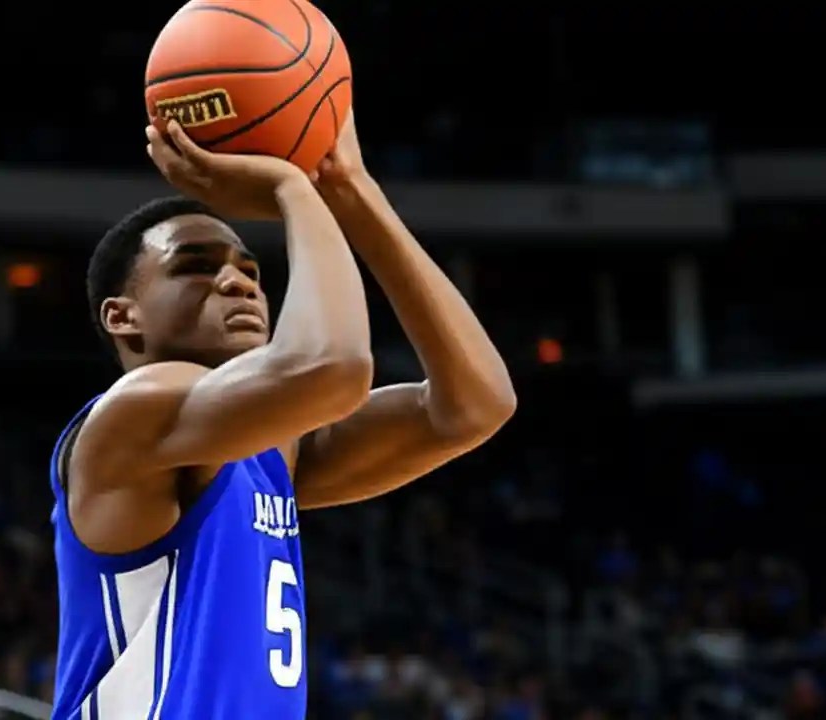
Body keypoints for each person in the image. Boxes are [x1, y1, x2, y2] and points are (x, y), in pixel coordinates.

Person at [47, 113, 515, 719]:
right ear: (123, 317)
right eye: (195, 265)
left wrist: (356, 194)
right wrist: (295, 190)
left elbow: (474, 406)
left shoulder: (273, 451)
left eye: (250, 271)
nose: (237, 283)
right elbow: (334, 366)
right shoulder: (134, 413)